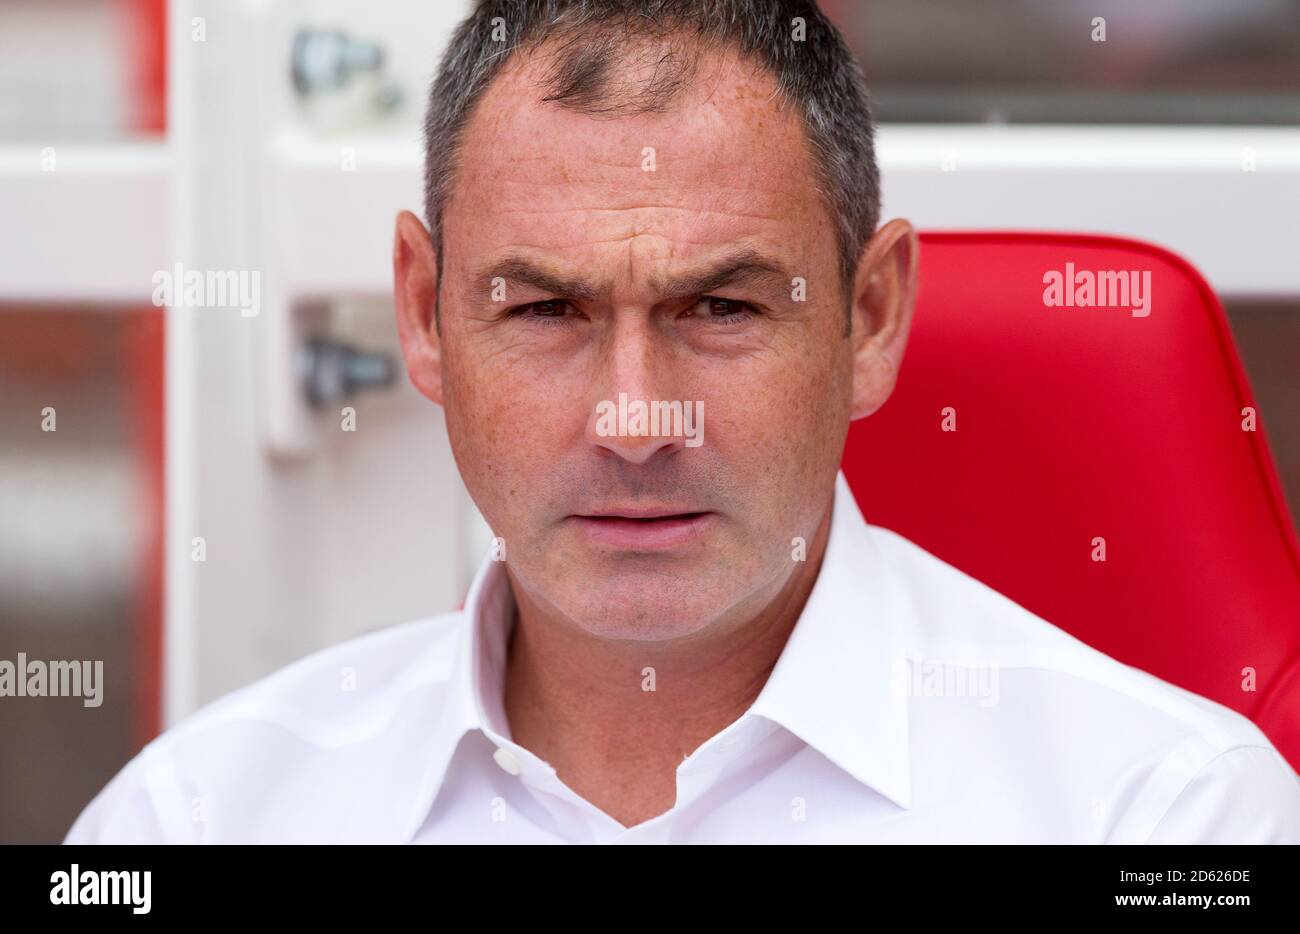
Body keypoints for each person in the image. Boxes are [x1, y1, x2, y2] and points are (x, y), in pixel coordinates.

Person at [67, 0, 1300, 843]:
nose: (635, 418)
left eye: (719, 304)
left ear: (869, 316)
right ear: (424, 317)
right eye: (547, 307)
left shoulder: (1161, 820)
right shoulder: (205, 818)